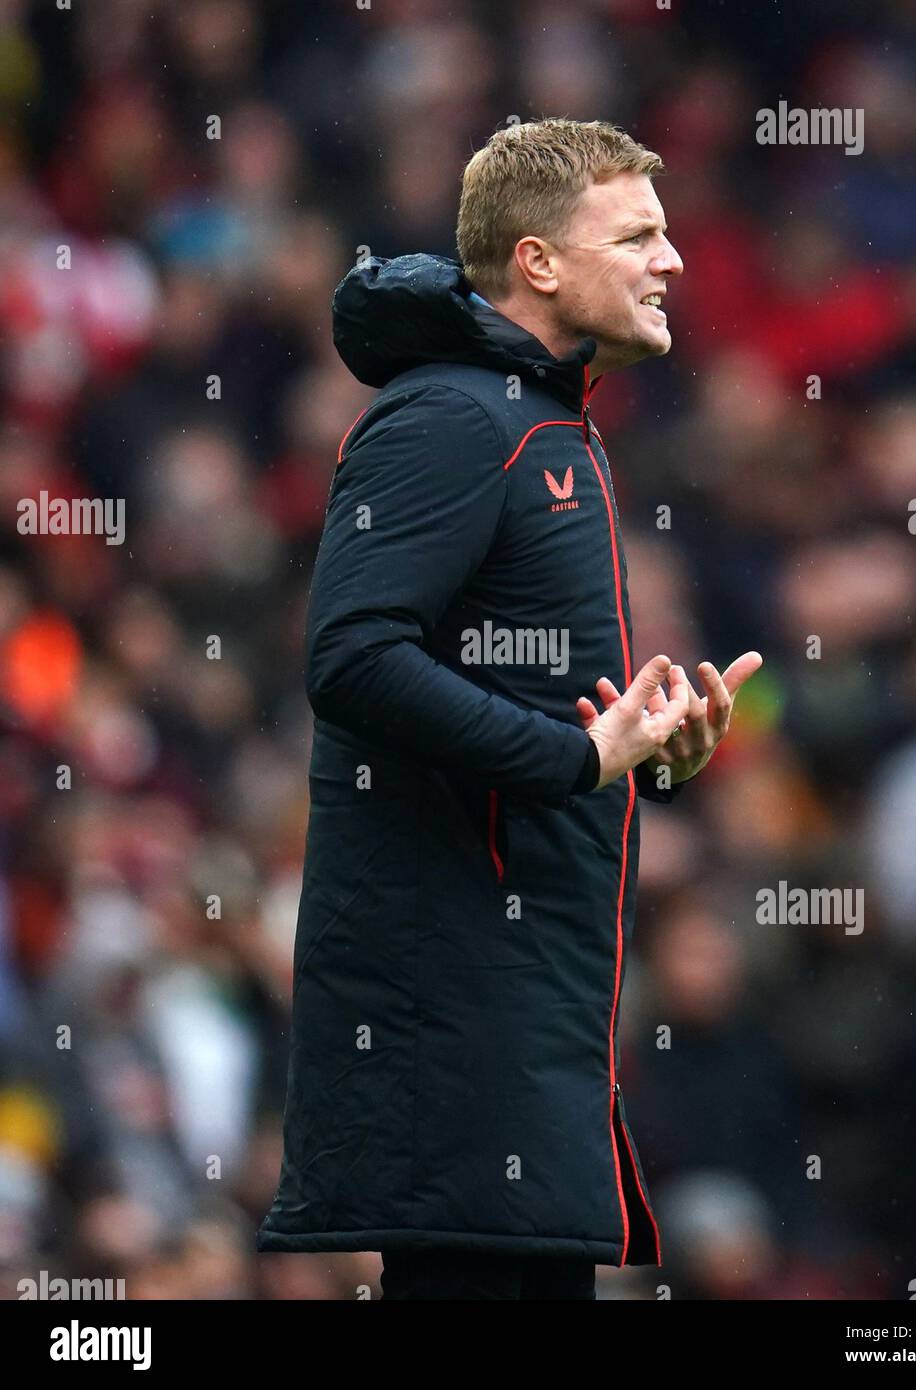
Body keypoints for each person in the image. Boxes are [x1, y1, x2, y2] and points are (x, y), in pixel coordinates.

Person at [256, 117, 762, 1300]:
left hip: (523, 995)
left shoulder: (548, 427)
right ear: (537, 261)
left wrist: (655, 754)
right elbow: (351, 658)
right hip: (453, 1007)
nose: (671, 259)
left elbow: (527, 707)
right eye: (637, 234)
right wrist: (578, 756)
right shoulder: (448, 417)